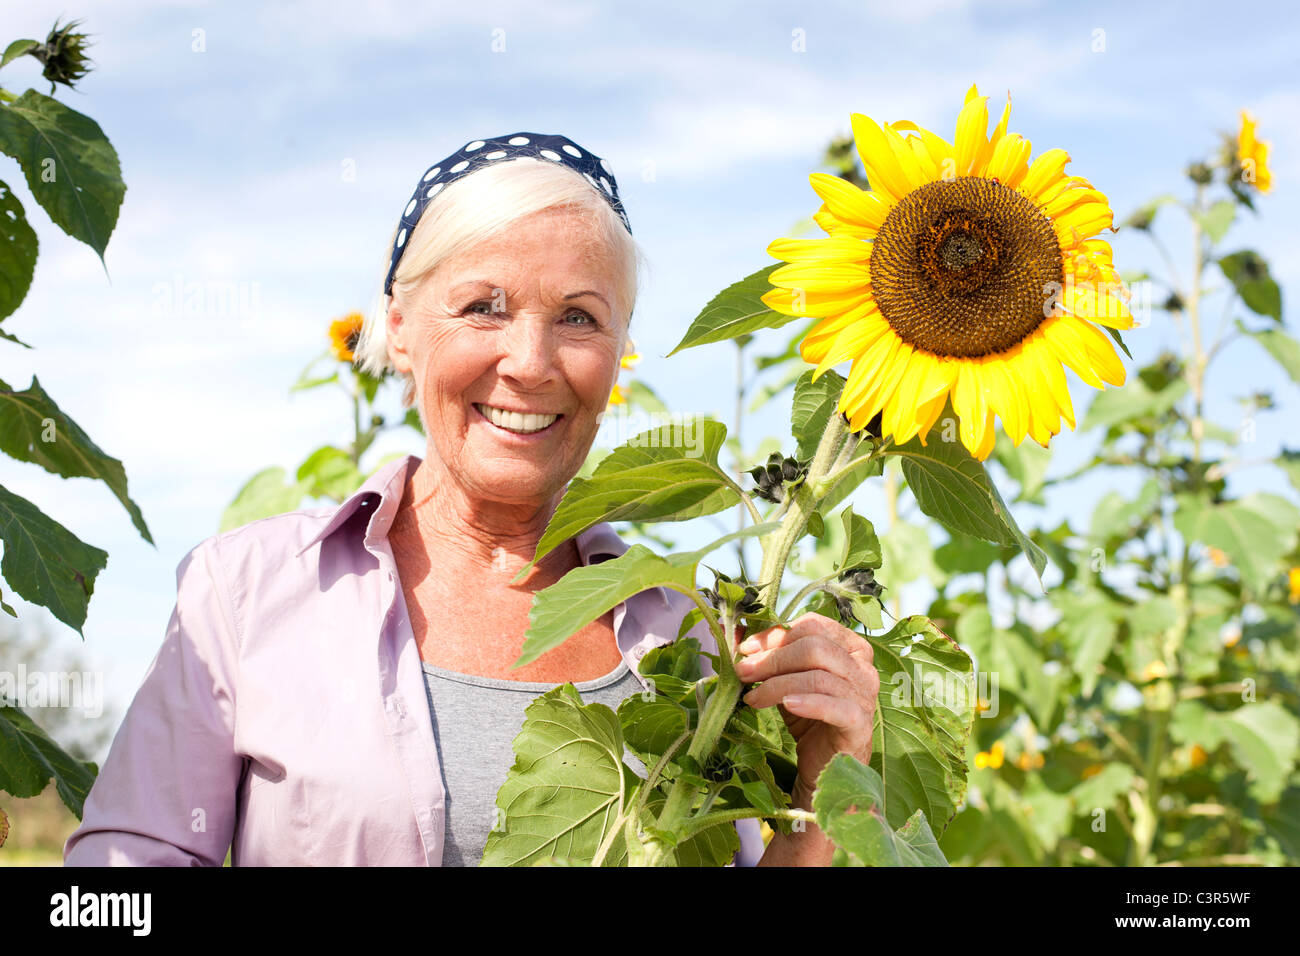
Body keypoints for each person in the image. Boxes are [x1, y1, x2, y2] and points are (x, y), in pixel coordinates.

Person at [63, 133, 879, 867]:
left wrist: (821, 801)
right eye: (483, 306)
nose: (529, 361)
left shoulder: (688, 627)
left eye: (579, 317)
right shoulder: (246, 594)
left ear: (619, 353)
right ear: (401, 325)